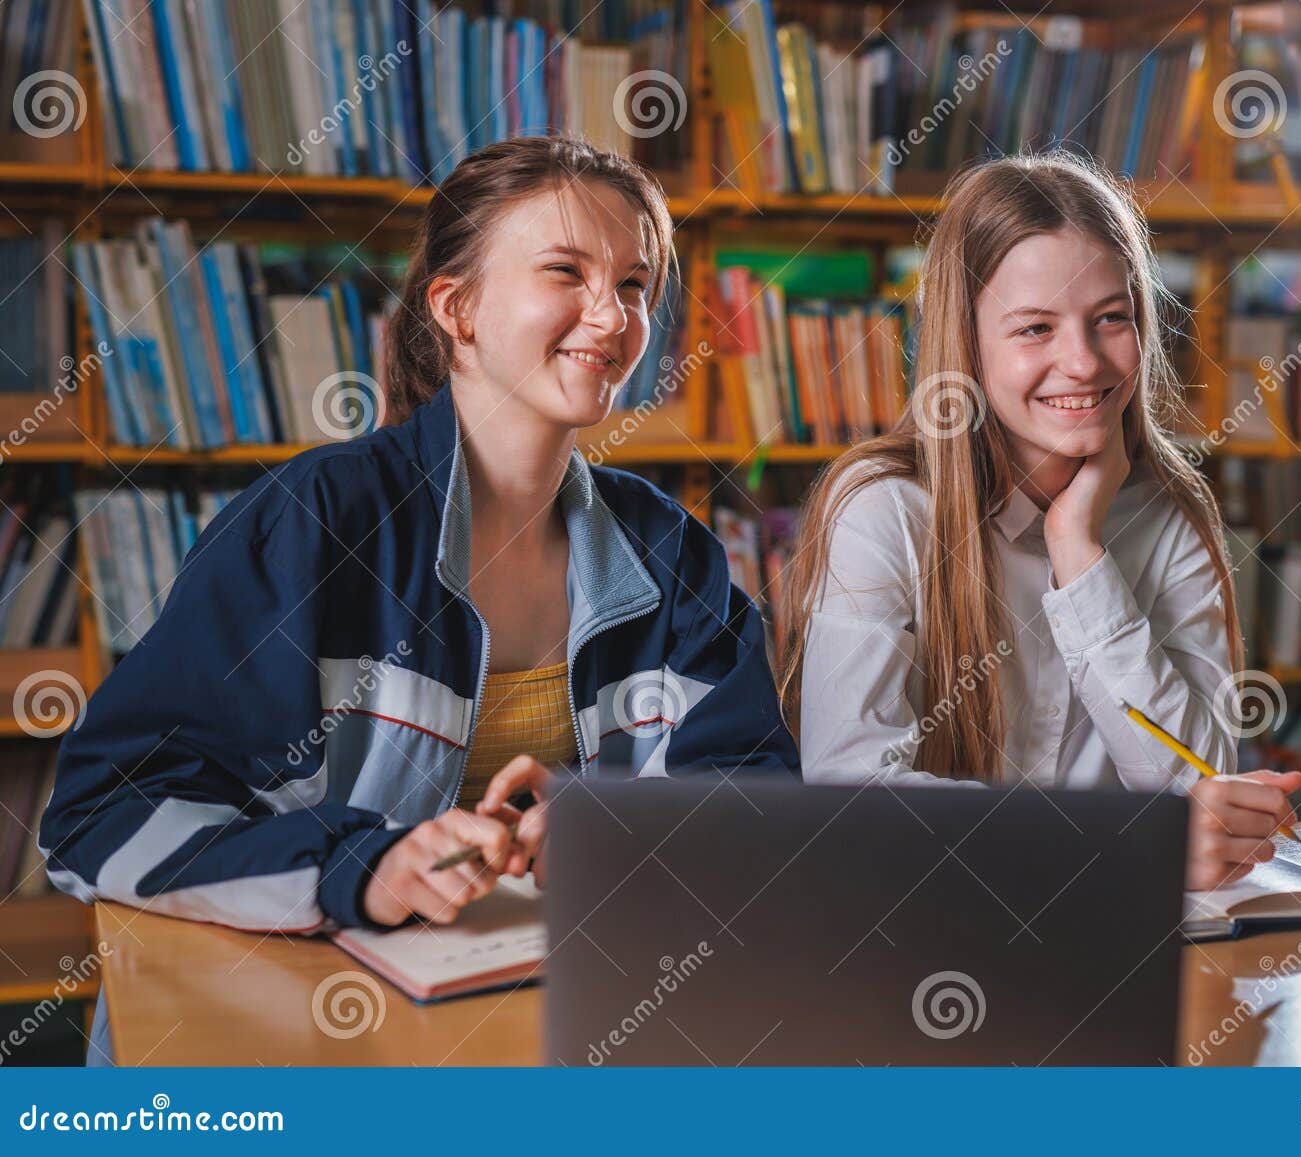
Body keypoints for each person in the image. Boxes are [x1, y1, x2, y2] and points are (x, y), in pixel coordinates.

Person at [42, 135, 797, 954]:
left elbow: (757, 809)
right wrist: (359, 867)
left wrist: (613, 824)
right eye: (565, 272)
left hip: (547, 1018)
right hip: (296, 1026)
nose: (614, 316)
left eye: (634, 284)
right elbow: (98, 815)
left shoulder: (672, 551)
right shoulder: (314, 517)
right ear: (455, 306)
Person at [780, 151, 1299, 892]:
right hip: (934, 926)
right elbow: (855, 800)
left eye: (1110, 319)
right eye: (1034, 329)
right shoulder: (882, 510)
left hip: (1136, 942)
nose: (1083, 362)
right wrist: (1113, 846)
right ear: (967, 342)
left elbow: (1201, 785)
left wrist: (1077, 548)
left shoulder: (1169, 514)